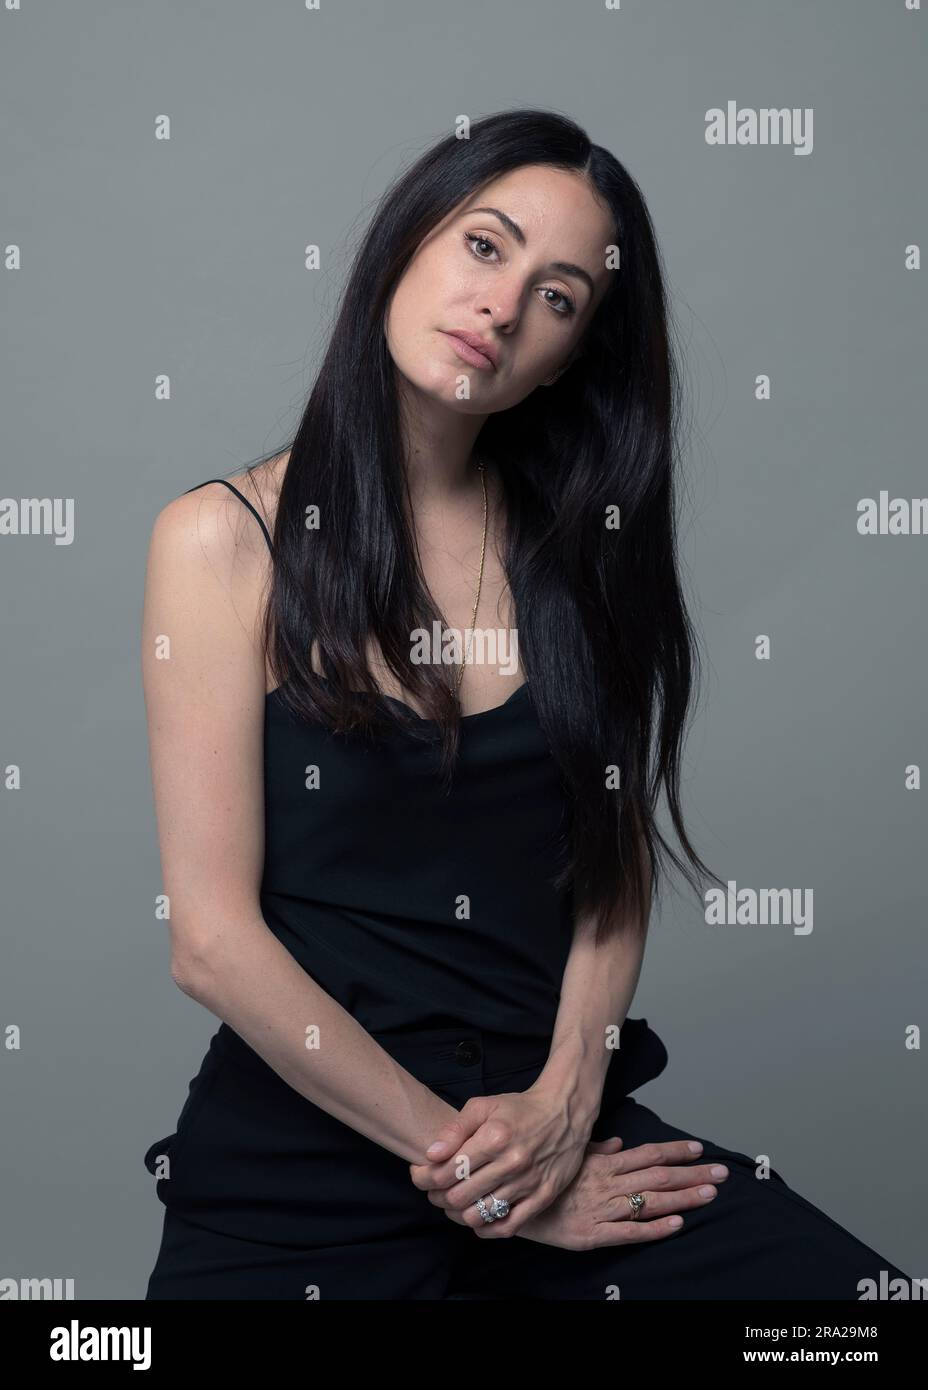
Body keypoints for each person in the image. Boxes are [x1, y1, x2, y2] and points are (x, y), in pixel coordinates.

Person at [141, 109, 910, 1299]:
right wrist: (478, 1178)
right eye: (485, 247)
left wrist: (560, 1104)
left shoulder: (576, 542)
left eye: (558, 296)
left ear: (568, 355)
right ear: (405, 244)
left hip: (559, 1142)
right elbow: (211, 942)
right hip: (311, 1174)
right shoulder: (220, 542)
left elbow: (611, 870)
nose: (502, 307)